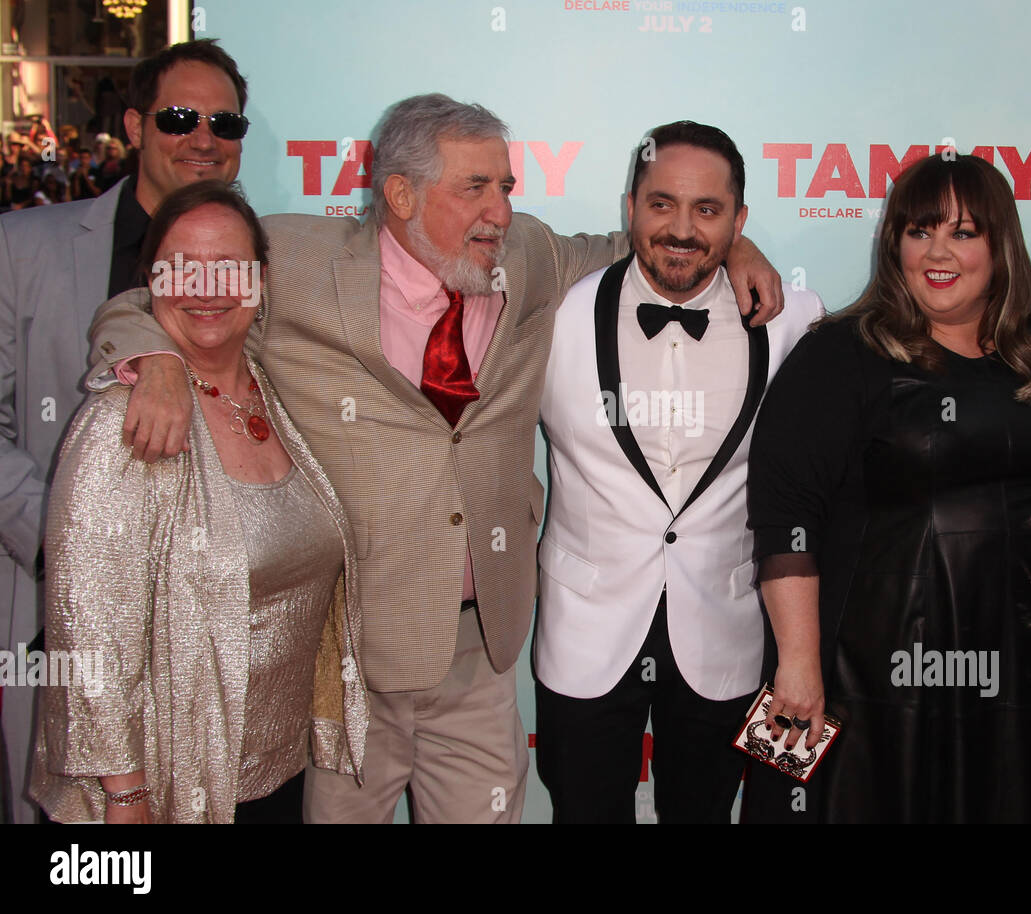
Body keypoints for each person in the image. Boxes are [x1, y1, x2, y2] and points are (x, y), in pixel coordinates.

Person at [87, 94, 784, 823]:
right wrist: (155, 357)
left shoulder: (529, 255)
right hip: (349, 654)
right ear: (399, 194)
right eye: (474, 188)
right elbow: (158, 295)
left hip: (480, 651)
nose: (501, 211)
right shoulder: (296, 257)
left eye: (506, 186)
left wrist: (735, 242)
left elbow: (658, 246)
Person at [744, 153, 1031, 823]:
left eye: (963, 231)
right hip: (861, 675)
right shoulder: (838, 354)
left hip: (1016, 669)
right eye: (919, 230)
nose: (937, 251)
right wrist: (798, 667)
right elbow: (785, 521)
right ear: (893, 241)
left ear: (1000, 245)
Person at [29, 181, 366, 823]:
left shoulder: (274, 388)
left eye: (227, 268)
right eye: (180, 267)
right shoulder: (124, 424)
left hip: (274, 775)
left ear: (260, 281)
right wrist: (125, 795)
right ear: (150, 285)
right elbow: (89, 626)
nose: (204, 287)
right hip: (163, 786)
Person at [534, 122, 823, 824]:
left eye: (708, 210)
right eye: (661, 204)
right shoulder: (556, 312)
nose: (682, 229)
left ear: (739, 220)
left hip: (728, 630)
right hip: (584, 630)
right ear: (629, 206)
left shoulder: (794, 322)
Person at [0, 37, 247, 824]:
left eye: (224, 121)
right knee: (75, 829)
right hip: (61, 615)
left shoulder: (267, 255)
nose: (202, 137)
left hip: (218, 628)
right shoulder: (25, 246)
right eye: (179, 117)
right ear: (137, 125)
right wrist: (62, 537)